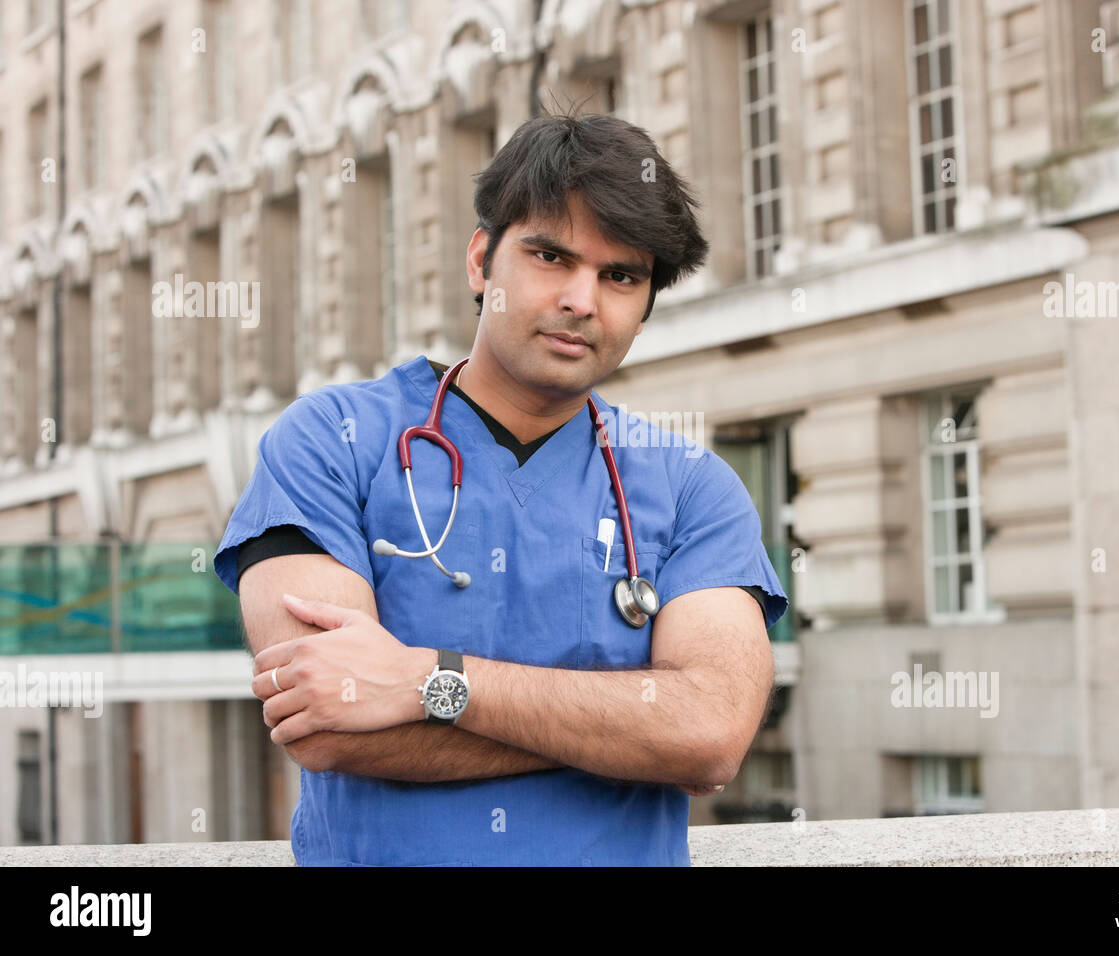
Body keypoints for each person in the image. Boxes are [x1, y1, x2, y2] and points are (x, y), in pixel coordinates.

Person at [214, 107, 789, 866]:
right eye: (551, 256)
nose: (583, 300)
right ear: (482, 261)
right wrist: (626, 728)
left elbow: (710, 736)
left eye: (621, 276)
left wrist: (428, 679)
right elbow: (327, 717)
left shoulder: (692, 489)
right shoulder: (332, 442)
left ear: (645, 308)